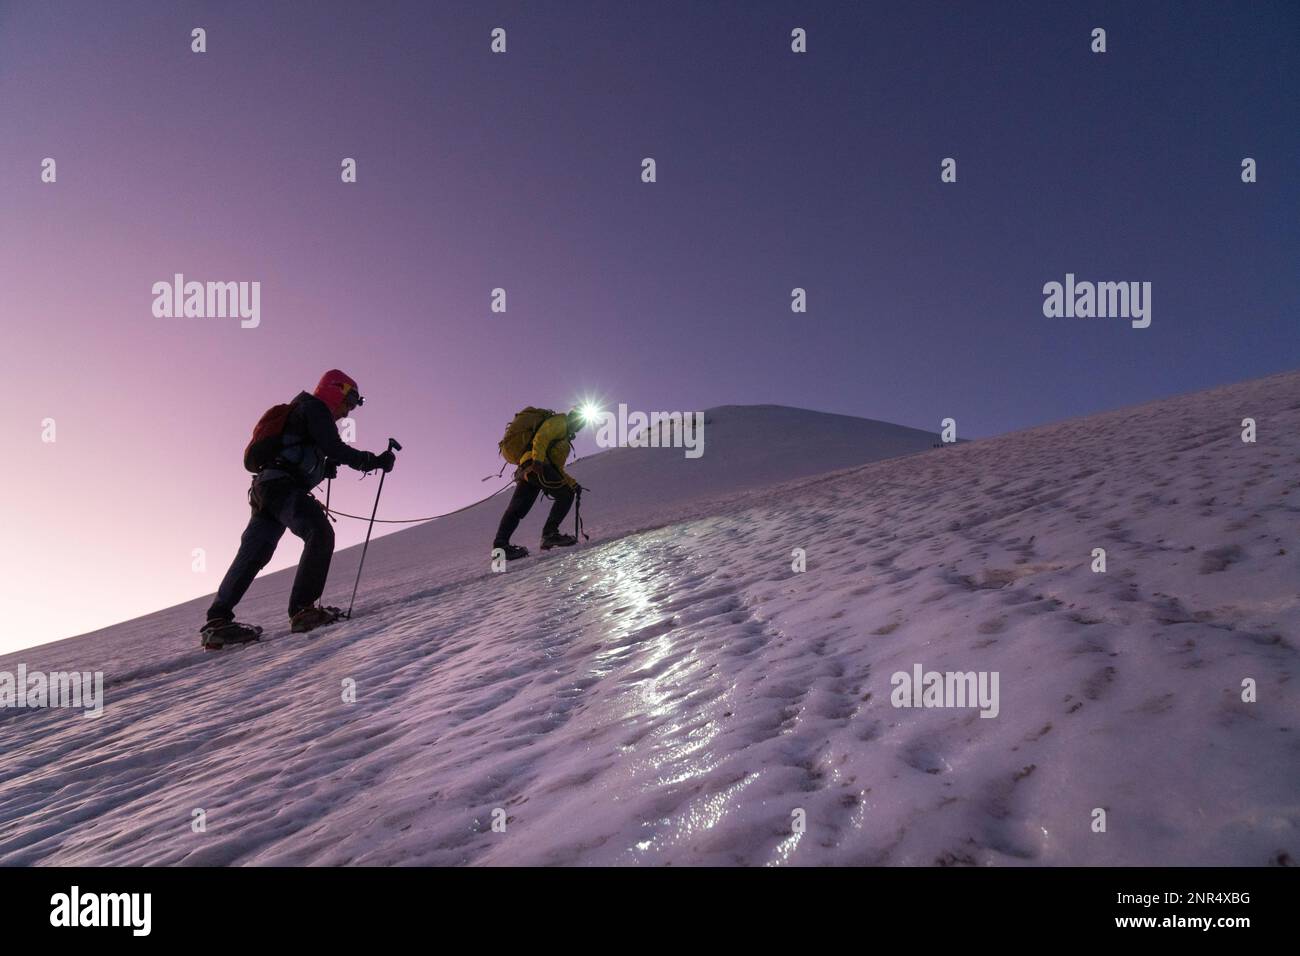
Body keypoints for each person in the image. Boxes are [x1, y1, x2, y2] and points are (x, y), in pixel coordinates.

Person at [201, 370, 396, 648]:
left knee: (255, 553)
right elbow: (335, 447)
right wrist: (374, 461)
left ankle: (217, 622)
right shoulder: (315, 408)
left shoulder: (302, 411)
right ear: (334, 390)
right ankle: (303, 611)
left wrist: (320, 467)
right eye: (348, 401)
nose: (348, 411)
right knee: (319, 532)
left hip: (266, 489)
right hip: (282, 488)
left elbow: (309, 450)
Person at [493, 408, 585, 560]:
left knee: (518, 509)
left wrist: (573, 483)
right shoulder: (560, 422)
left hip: (530, 467)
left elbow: (557, 469)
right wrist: (537, 460)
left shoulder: (564, 440)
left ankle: (500, 548)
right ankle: (549, 534)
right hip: (536, 465)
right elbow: (541, 437)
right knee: (565, 495)